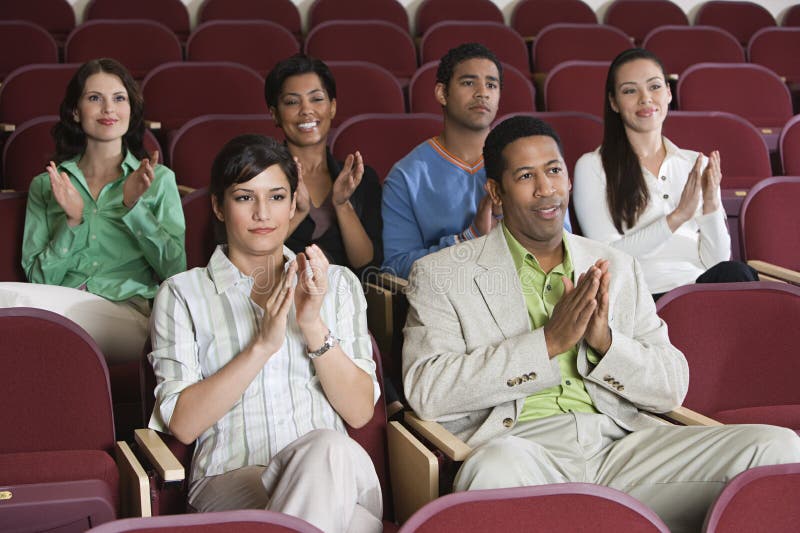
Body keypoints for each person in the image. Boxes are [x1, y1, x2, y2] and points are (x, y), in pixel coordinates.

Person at [402, 116, 800, 533]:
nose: (546, 189)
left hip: (625, 446)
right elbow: (427, 390)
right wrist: (548, 343)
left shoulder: (617, 266)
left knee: (778, 448)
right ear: (496, 193)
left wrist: (607, 345)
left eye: (554, 171)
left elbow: (671, 385)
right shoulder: (442, 274)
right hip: (523, 449)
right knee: (494, 471)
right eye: (525, 176)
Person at [148, 135, 382, 533]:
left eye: (276, 197)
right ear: (219, 207)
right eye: (244, 198)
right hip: (232, 479)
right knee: (357, 525)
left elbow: (360, 411)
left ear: (294, 204)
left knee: (326, 449)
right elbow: (184, 425)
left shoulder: (337, 284)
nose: (262, 213)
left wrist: (311, 325)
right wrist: (262, 346)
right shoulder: (181, 293)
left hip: (339, 467)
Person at [0, 58, 185, 364]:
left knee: (15, 307)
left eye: (119, 98)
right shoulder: (46, 185)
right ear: (75, 110)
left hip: (129, 315)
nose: (108, 109)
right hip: (59, 308)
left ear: (131, 110)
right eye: (94, 98)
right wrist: (73, 221)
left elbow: (175, 270)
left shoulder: (159, 180)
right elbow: (38, 278)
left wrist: (133, 207)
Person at [573, 48, 757, 298]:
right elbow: (608, 258)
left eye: (655, 87)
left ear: (669, 93)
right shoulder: (592, 166)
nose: (645, 98)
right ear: (614, 102)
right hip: (643, 296)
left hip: (698, 288)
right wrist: (678, 216)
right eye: (630, 90)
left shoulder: (694, 163)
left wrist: (711, 205)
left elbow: (716, 262)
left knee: (737, 274)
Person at [382, 43, 571, 279]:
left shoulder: (531, 161)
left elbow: (563, 243)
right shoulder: (406, 176)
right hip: (449, 298)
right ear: (442, 93)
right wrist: (469, 238)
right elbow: (394, 268)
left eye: (491, 84)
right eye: (469, 83)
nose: (483, 92)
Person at [264, 54, 382, 277]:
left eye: (316, 99)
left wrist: (342, 204)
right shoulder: (259, 180)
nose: (306, 110)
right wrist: (298, 213)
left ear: (333, 107)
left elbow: (367, 265)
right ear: (275, 115)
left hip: (348, 304)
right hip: (275, 299)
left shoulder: (361, 179)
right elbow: (250, 260)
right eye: (292, 102)